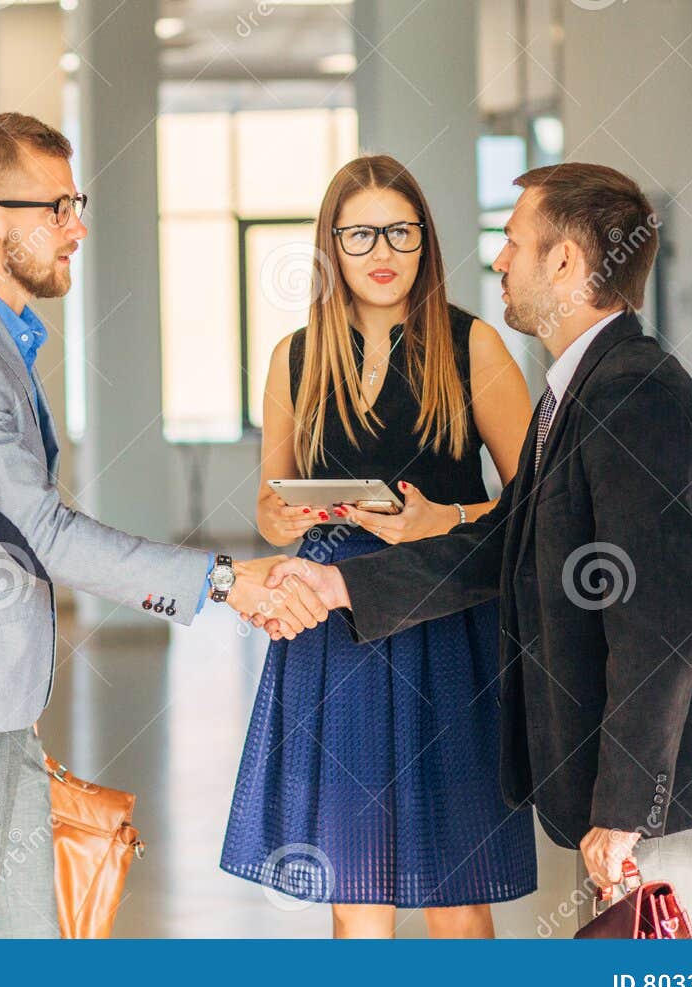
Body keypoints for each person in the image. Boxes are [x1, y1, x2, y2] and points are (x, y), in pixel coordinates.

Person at [266, 162, 692, 938]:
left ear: (567, 264)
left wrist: (622, 809)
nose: (499, 260)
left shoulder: (634, 395)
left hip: (667, 792)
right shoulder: (576, 392)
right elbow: (502, 543)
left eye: (513, 242)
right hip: (638, 788)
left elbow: (661, 626)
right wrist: (343, 586)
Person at [0, 112, 321, 939]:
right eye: (55, 207)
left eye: (77, 202)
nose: (76, 226)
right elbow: (40, 530)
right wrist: (224, 580)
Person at [221, 155, 538, 938]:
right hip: (335, 635)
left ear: (426, 240)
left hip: (446, 620)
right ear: (331, 246)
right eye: (360, 234)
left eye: (400, 230)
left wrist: (445, 517)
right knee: (354, 890)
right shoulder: (294, 359)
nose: (383, 250)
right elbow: (268, 503)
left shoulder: (473, 347)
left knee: (453, 889)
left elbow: (543, 505)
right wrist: (284, 516)